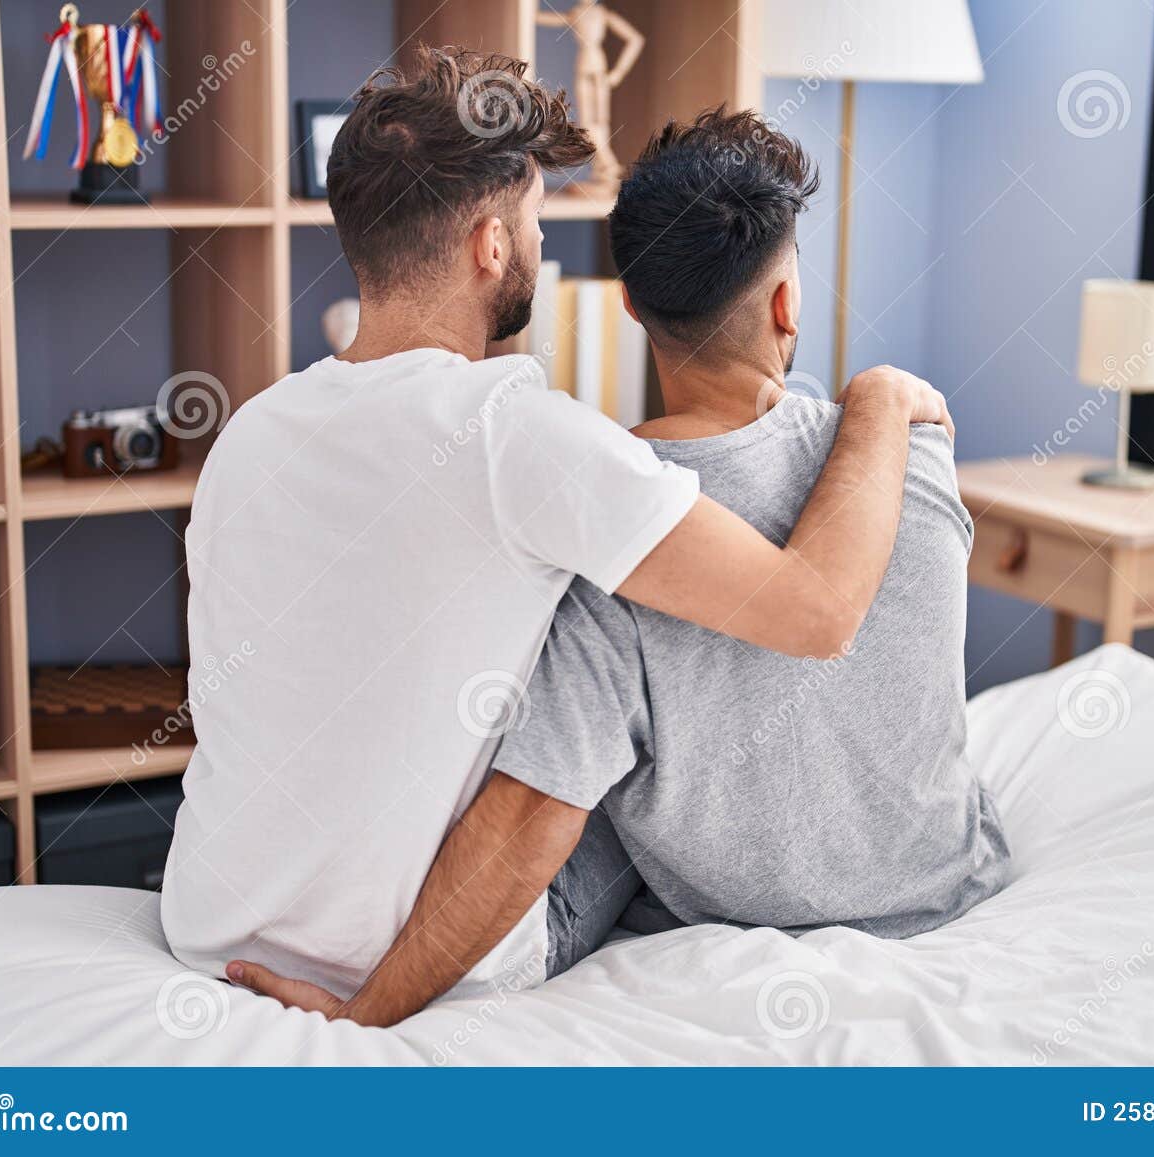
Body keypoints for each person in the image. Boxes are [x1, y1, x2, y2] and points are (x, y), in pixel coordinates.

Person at [162, 50, 952, 1015]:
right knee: (599, 767)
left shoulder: (248, 434)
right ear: (490, 246)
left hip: (206, 920)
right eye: (535, 220)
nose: (538, 243)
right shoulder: (518, 433)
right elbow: (818, 609)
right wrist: (879, 396)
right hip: (388, 957)